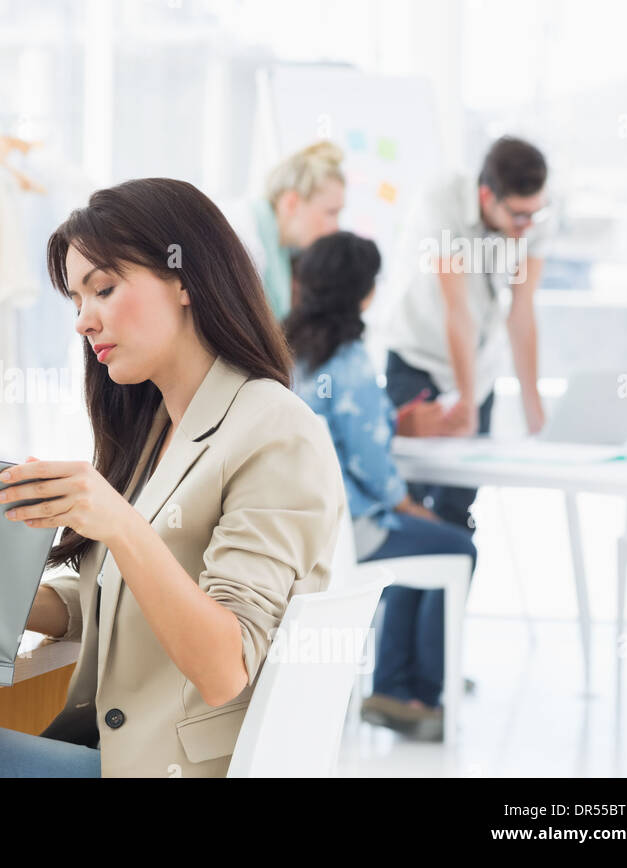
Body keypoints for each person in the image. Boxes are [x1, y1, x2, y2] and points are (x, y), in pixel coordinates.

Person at [0, 178, 346, 778]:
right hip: (116, 750)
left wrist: (120, 524)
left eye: (103, 288)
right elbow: (119, 593)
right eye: (76, 300)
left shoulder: (274, 430)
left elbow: (225, 668)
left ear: (185, 279)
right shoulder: (159, 427)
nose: (82, 321)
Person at [289, 230, 477, 740]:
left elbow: (338, 434)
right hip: (351, 534)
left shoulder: (285, 354)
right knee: (456, 543)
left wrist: (390, 418)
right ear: (366, 293)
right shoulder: (349, 362)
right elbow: (374, 468)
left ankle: (396, 684)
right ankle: (410, 692)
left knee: (430, 535)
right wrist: (409, 505)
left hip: (300, 529)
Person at [383, 136, 550, 533]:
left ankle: (448, 596)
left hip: (481, 368)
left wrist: (534, 408)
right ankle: (396, 597)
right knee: (410, 501)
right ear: (486, 195)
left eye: (535, 215)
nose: (527, 227)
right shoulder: (444, 201)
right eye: (519, 216)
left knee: (458, 509)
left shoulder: (534, 216)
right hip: (419, 357)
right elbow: (457, 311)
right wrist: (464, 398)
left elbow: (522, 315)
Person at [225, 141, 346, 321]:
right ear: (291, 203)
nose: (336, 227)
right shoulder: (243, 238)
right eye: (330, 213)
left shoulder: (280, 249)